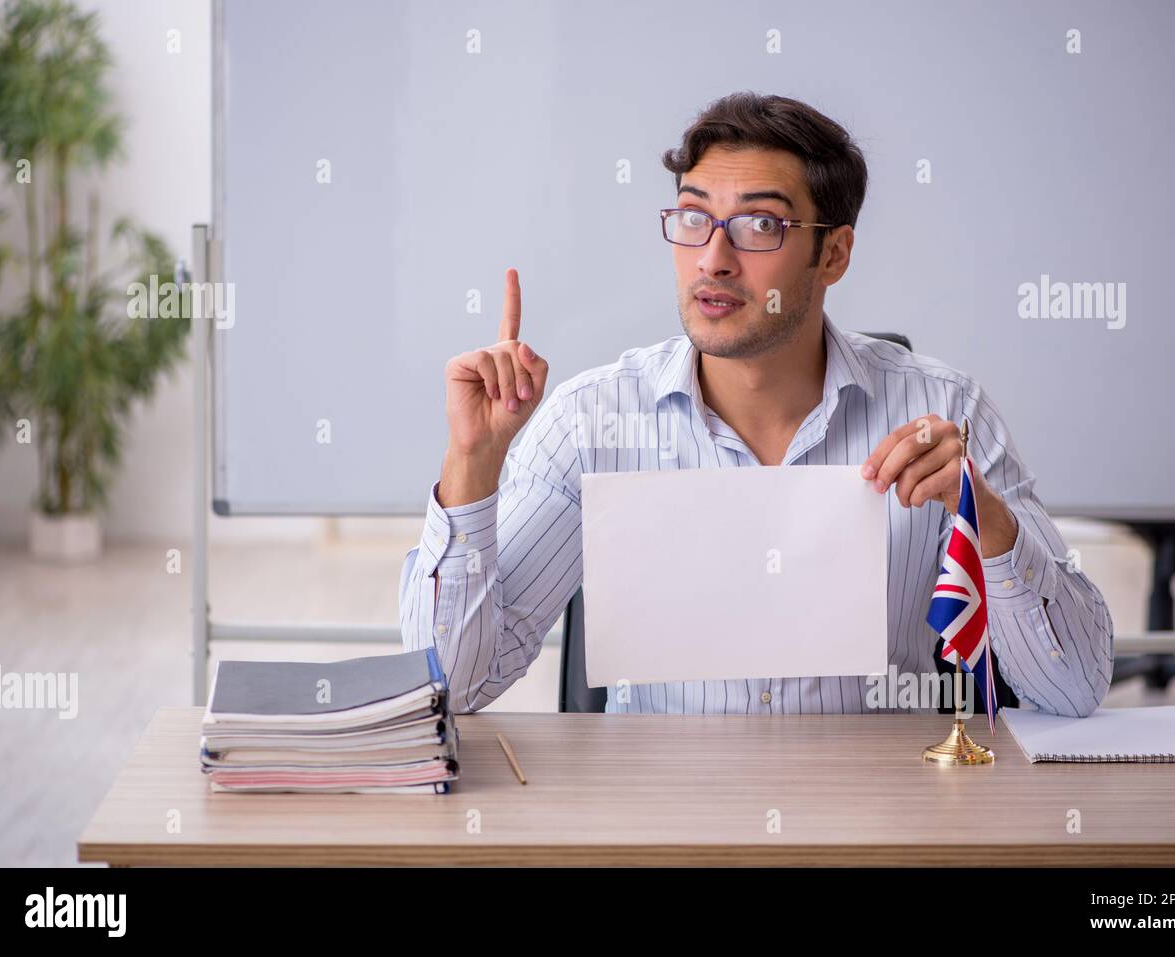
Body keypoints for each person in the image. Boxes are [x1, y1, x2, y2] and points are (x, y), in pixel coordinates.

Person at [399, 91, 1113, 716]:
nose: (713, 257)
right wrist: (472, 464)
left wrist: (985, 518)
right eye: (692, 218)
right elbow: (449, 688)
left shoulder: (944, 411)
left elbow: (1074, 687)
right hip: (662, 825)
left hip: (878, 827)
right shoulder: (591, 424)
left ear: (833, 255)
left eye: (760, 225)